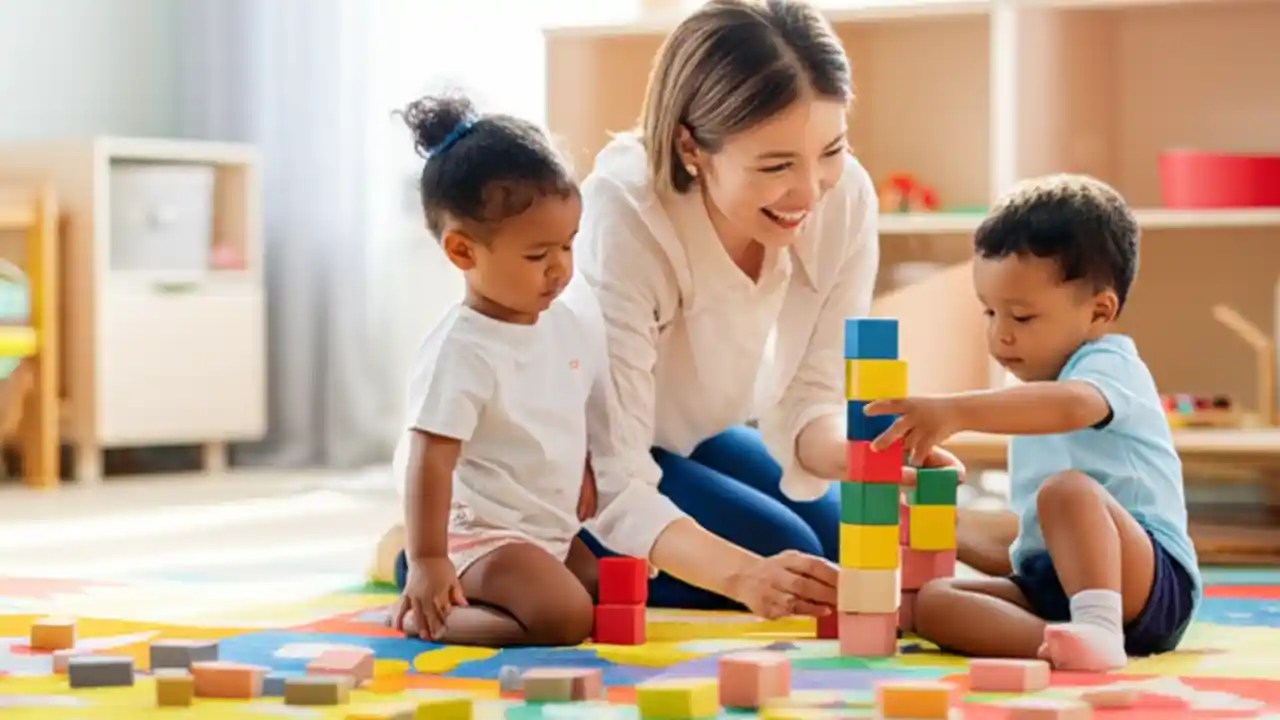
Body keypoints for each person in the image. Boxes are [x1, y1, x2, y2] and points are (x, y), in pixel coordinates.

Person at [388, 90, 840, 647]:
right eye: (538, 256)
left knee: (614, 590)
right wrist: (432, 554)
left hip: (545, 525)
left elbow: (566, 406)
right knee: (566, 618)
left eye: (568, 246)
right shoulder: (462, 350)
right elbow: (429, 459)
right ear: (463, 253)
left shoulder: (564, 322)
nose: (560, 270)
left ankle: (461, 592)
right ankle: (427, 605)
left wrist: (580, 467)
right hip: (480, 533)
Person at [572, 0, 974, 609]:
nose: (810, 191)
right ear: (691, 147)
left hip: (689, 435)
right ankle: (484, 546)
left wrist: (862, 462)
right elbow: (616, 476)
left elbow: (808, 401)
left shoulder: (846, 199)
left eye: (831, 151)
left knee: (844, 546)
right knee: (778, 552)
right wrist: (740, 578)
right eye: (777, 164)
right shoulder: (627, 215)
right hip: (581, 459)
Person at [865, 174, 1202, 671]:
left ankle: (1098, 629)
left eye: (1020, 318)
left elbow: (1072, 407)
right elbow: (1031, 547)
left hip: (1151, 583)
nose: (1000, 335)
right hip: (1059, 588)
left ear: (1099, 311)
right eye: (989, 313)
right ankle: (1064, 646)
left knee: (1065, 492)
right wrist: (939, 528)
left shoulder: (1108, 365)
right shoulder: (1034, 401)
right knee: (933, 602)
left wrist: (954, 411)